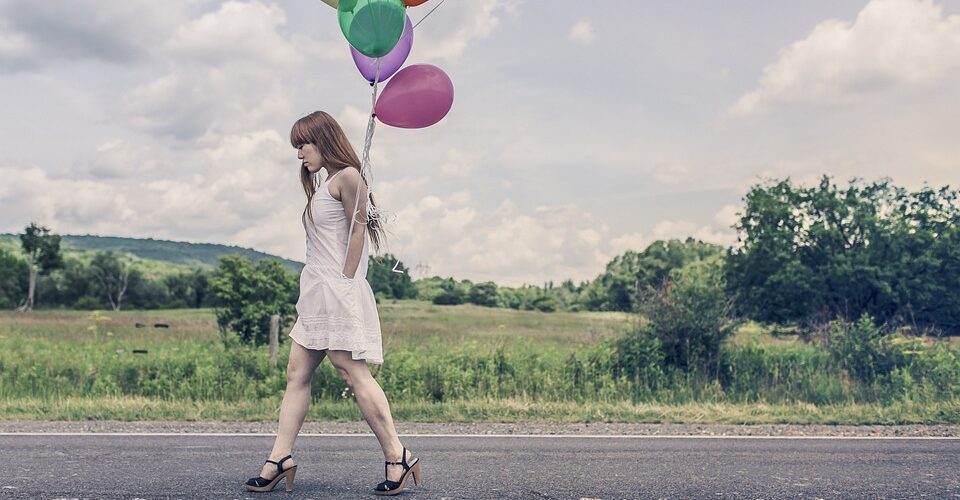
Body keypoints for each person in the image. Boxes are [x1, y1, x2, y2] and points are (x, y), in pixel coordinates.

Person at [244, 110, 421, 495]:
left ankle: (398, 454)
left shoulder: (348, 177)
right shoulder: (323, 184)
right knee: (296, 374)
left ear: (323, 139)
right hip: (315, 294)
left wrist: (345, 283)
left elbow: (357, 232)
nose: (299, 154)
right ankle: (279, 458)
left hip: (339, 290)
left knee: (351, 372)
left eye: (303, 145)